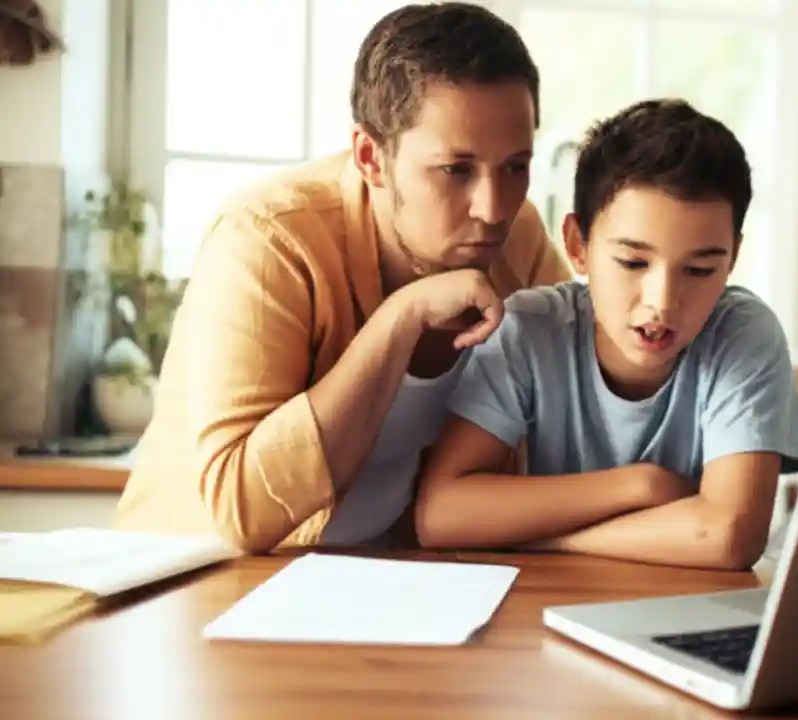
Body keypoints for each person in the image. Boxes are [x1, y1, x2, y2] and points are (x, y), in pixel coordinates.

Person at [114, 3, 570, 552]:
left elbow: (579, 404)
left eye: (515, 166)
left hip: (393, 583)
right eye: (456, 170)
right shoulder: (267, 239)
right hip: (196, 589)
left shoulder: (517, 236)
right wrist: (400, 319)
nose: (493, 207)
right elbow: (243, 511)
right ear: (370, 157)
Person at [416, 99, 798, 570]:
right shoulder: (530, 329)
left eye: (701, 269)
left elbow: (727, 537)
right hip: (549, 610)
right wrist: (640, 485)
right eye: (633, 263)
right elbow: (441, 515)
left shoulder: (744, 334)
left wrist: (542, 539)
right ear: (578, 246)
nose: (662, 301)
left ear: (733, 259)